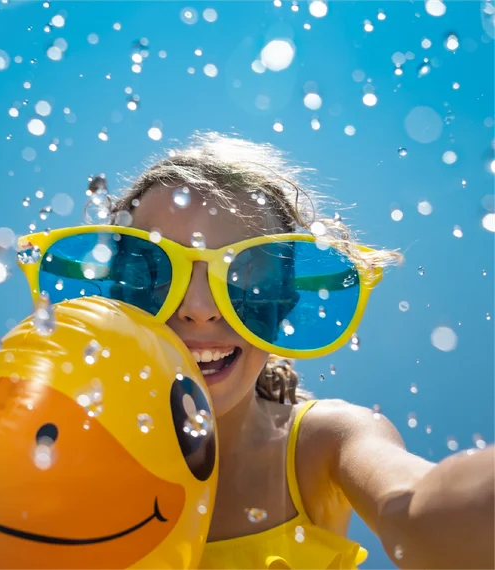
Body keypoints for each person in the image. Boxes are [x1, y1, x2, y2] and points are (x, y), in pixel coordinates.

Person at [39, 133, 494, 569]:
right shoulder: (68, 454)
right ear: (118, 298)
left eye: (243, 278)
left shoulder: (323, 444)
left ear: (281, 305)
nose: (199, 309)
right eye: (154, 272)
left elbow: (413, 510)